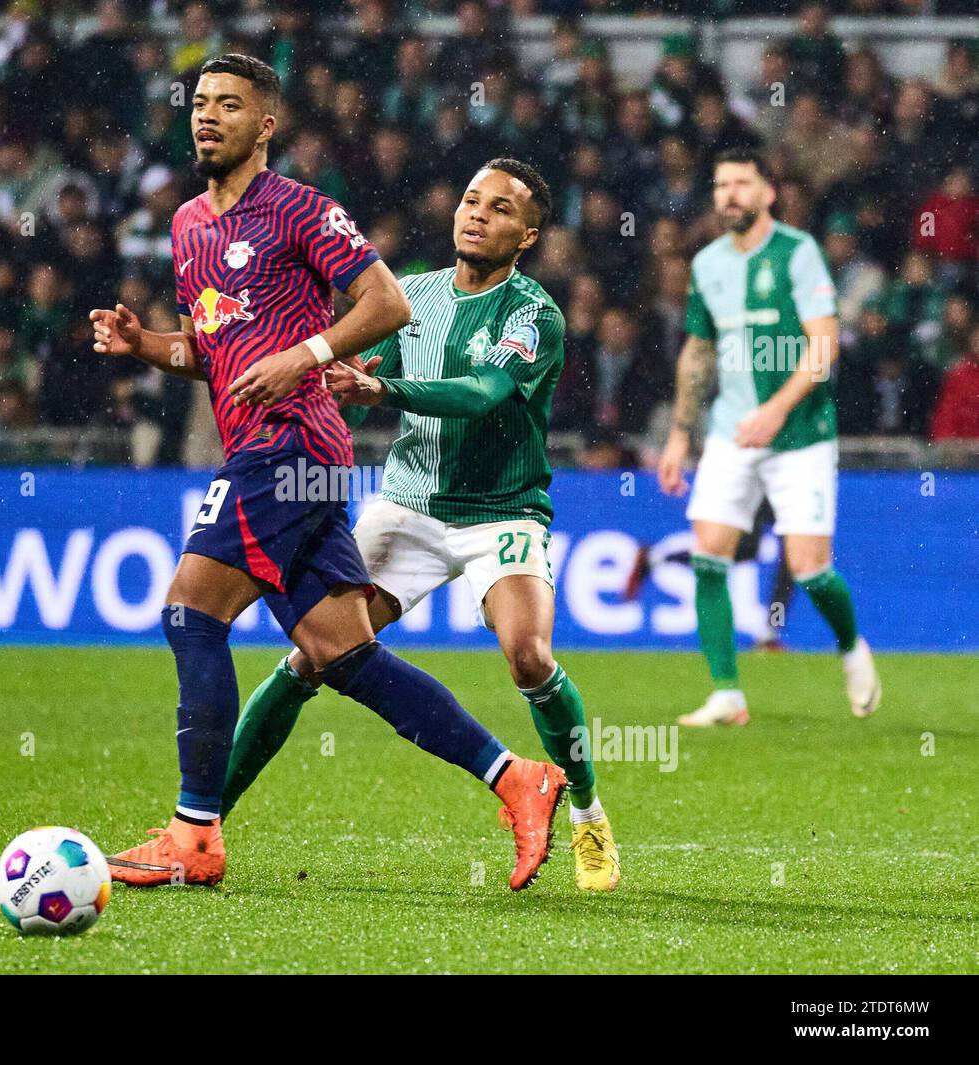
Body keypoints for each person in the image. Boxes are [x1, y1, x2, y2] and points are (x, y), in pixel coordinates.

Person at [90, 55, 565, 890]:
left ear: (263, 126)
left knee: (189, 614)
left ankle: (194, 832)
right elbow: (214, 350)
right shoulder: (188, 227)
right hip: (264, 443)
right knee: (339, 652)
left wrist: (304, 355)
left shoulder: (301, 209)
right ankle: (515, 776)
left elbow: (387, 304)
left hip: (293, 443)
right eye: (200, 104)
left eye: (229, 106)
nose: (208, 118)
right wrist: (147, 348)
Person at [220, 159, 621, 892]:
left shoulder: (534, 316)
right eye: (470, 200)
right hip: (406, 505)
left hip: (501, 509)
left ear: (527, 234)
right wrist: (325, 389)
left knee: (529, 657)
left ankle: (588, 812)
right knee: (314, 654)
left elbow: (481, 392)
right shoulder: (414, 297)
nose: (477, 215)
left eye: (500, 209)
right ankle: (204, 821)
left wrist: (382, 388)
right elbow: (349, 375)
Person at [657, 148, 880, 726]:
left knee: (810, 568)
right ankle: (728, 694)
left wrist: (778, 409)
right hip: (733, 432)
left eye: (741, 183)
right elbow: (699, 350)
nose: (729, 193)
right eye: (721, 183)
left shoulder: (798, 253)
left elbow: (824, 343)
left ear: (767, 193)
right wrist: (682, 433)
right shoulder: (706, 263)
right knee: (709, 553)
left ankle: (851, 646)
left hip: (800, 434)